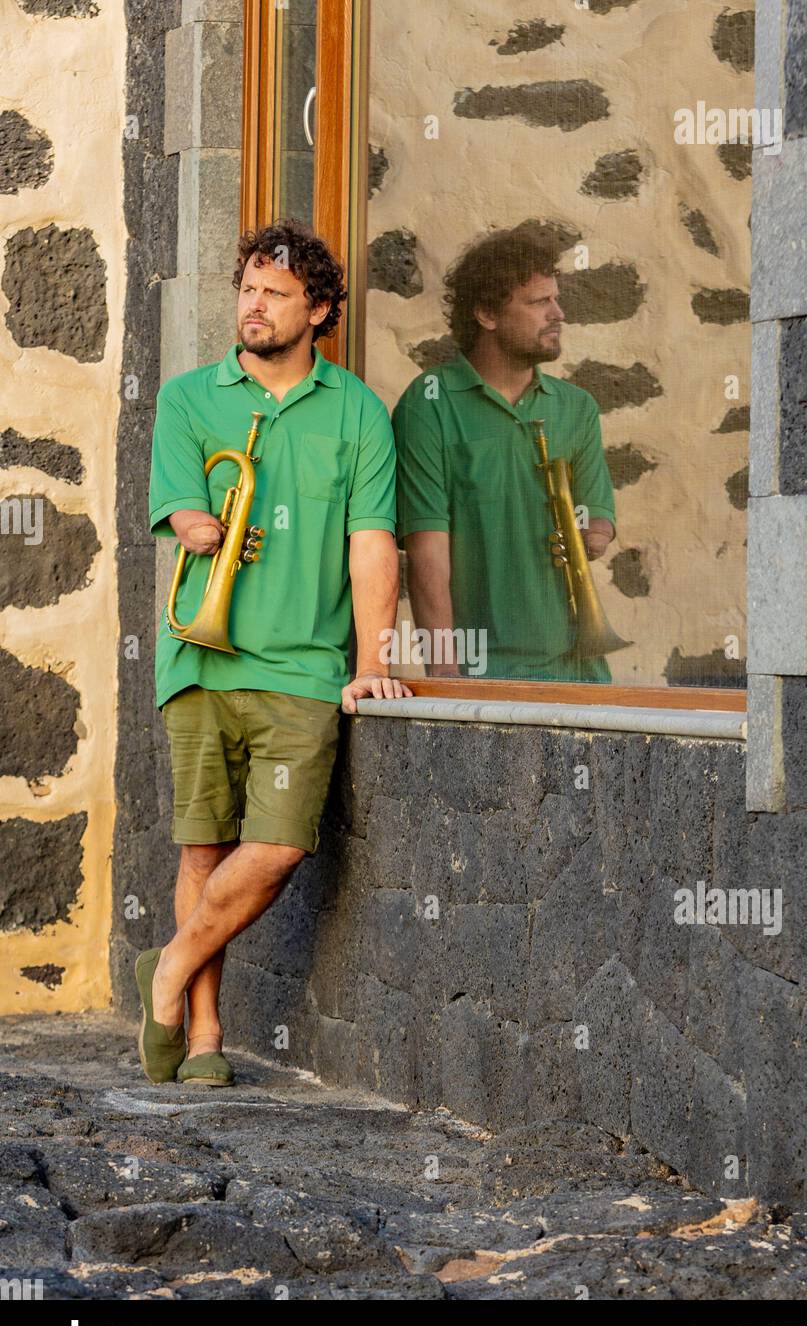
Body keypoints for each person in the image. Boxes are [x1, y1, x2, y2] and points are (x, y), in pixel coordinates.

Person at [141, 218, 411, 1086]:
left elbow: (372, 542)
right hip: (202, 660)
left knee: (281, 846)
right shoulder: (189, 397)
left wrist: (373, 657)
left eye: (275, 292)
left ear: (320, 308)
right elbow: (179, 506)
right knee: (201, 850)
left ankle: (171, 969)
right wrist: (200, 525)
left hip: (303, 666)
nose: (253, 306)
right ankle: (206, 1037)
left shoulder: (358, 410)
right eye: (247, 289)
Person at [393, 224, 617, 682]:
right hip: (483, 669)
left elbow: (598, 521)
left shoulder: (576, 407)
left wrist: (591, 534)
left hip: (578, 669)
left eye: (555, 299)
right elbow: (427, 554)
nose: (559, 314)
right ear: (486, 315)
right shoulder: (429, 404)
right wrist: (444, 674)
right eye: (539, 303)